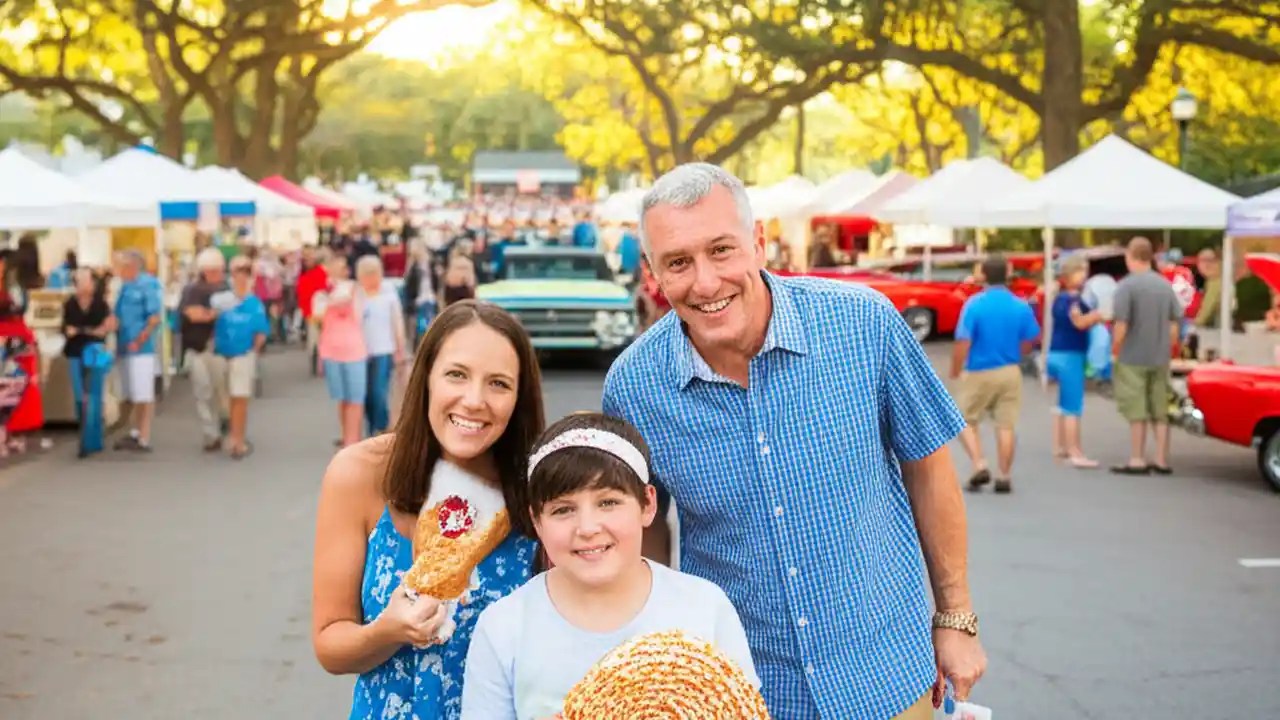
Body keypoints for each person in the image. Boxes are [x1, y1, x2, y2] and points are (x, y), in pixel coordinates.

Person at [601, 163, 986, 720]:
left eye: (722, 250)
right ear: (651, 271)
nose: (705, 282)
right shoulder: (634, 385)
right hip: (738, 687)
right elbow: (646, 529)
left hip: (885, 672)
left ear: (758, 243)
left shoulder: (865, 326)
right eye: (678, 262)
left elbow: (928, 467)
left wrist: (956, 617)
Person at [312, 300, 545, 720]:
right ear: (426, 380)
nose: (474, 400)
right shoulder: (360, 474)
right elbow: (330, 644)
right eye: (456, 375)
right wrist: (388, 631)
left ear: (518, 398)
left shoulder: (537, 489)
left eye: (498, 384)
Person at [460, 412, 758, 720]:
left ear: (648, 504)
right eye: (563, 509)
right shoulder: (505, 627)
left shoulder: (704, 609)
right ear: (536, 520)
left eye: (608, 503)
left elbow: (743, 709)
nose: (587, 527)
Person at [950, 255, 1041, 492]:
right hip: (1010, 370)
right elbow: (1031, 339)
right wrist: (1018, 353)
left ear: (984, 276)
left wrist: (956, 369)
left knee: (963, 419)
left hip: (979, 369)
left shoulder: (975, 304)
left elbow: (963, 340)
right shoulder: (1020, 305)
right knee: (1005, 424)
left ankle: (979, 463)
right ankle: (1004, 475)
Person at [1110, 236, 1182, 475]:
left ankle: (1137, 459)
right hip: (1159, 356)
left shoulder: (1127, 286)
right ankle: (1161, 459)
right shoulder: (1164, 285)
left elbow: (1122, 324)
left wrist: (1114, 349)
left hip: (1133, 356)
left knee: (1137, 409)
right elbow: (1174, 325)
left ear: (1130, 257)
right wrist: (1168, 347)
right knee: (1159, 410)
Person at [1046, 254, 1103, 468]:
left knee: (1061, 403)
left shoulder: (1058, 299)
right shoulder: (1074, 301)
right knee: (1073, 405)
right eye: (1082, 271)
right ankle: (1074, 450)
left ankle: (1059, 446)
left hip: (1056, 351)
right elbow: (1079, 322)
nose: (1085, 276)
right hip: (1071, 355)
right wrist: (1097, 316)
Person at [212, 256, 270, 459]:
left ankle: (238, 439)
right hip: (221, 355)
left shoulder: (254, 303)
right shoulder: (222, 300)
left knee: (240, 397)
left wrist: (251, 351)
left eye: (245, 274)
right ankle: (227, 431)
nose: (240, 278)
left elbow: (261, 331)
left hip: (242, 355)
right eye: (237, 273)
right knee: (224, 397)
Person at [179, 248, 231, 452]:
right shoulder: (193, 290)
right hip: (198, 347)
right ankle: (211, 433)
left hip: (220, 347)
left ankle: (223, 422)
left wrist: (209, 313)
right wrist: (214, 313)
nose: (217, 275)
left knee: (221, 390)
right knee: (203, 391)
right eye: (214, 270)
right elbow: (193, 315)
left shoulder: (226, 287)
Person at [111, 250, 162, 452]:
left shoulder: (147, 285)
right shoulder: (124, 287)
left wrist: (141, 339)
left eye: (121, 266)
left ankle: (144, 435)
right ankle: (136, 430)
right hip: (124, 346)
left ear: (131, 266)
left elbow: (154, 317)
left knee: (143, 392)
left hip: (141, 348)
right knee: (131, 391)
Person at [316, 255, 369, 447]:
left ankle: (352, 440)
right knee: (342, 397)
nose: (339, 271)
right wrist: (331, 299)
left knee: (355, 398)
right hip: (331, 350)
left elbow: (360, 314)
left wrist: (339, 300)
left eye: (342, 267)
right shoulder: (321, 292)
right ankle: (346, 434)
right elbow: (317, 314)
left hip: (354, 350)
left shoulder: (355, 289)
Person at [62, 268, 114, 458]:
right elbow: (67, 329)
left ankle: (93, 439)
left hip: (95, 351)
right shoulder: (69, 304)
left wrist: (82, 331)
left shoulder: (101, 304)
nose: (84, 286)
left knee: (94, 393)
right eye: (80, 282)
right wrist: (90, 331)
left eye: (87, 282)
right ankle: (84, 434)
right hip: (75, 352)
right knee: (79, 394)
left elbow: (104, 329)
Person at [355, 255, 406, 437]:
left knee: (378, 391)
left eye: (374, 274)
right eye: (367, 274)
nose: (371, 278)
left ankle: (382, 427)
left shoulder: (388, 292)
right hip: (360, 351)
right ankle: (371, 428)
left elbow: (397, 321)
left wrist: (400, 348)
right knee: (365, 393)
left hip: (384, 349)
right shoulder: (357, 293)